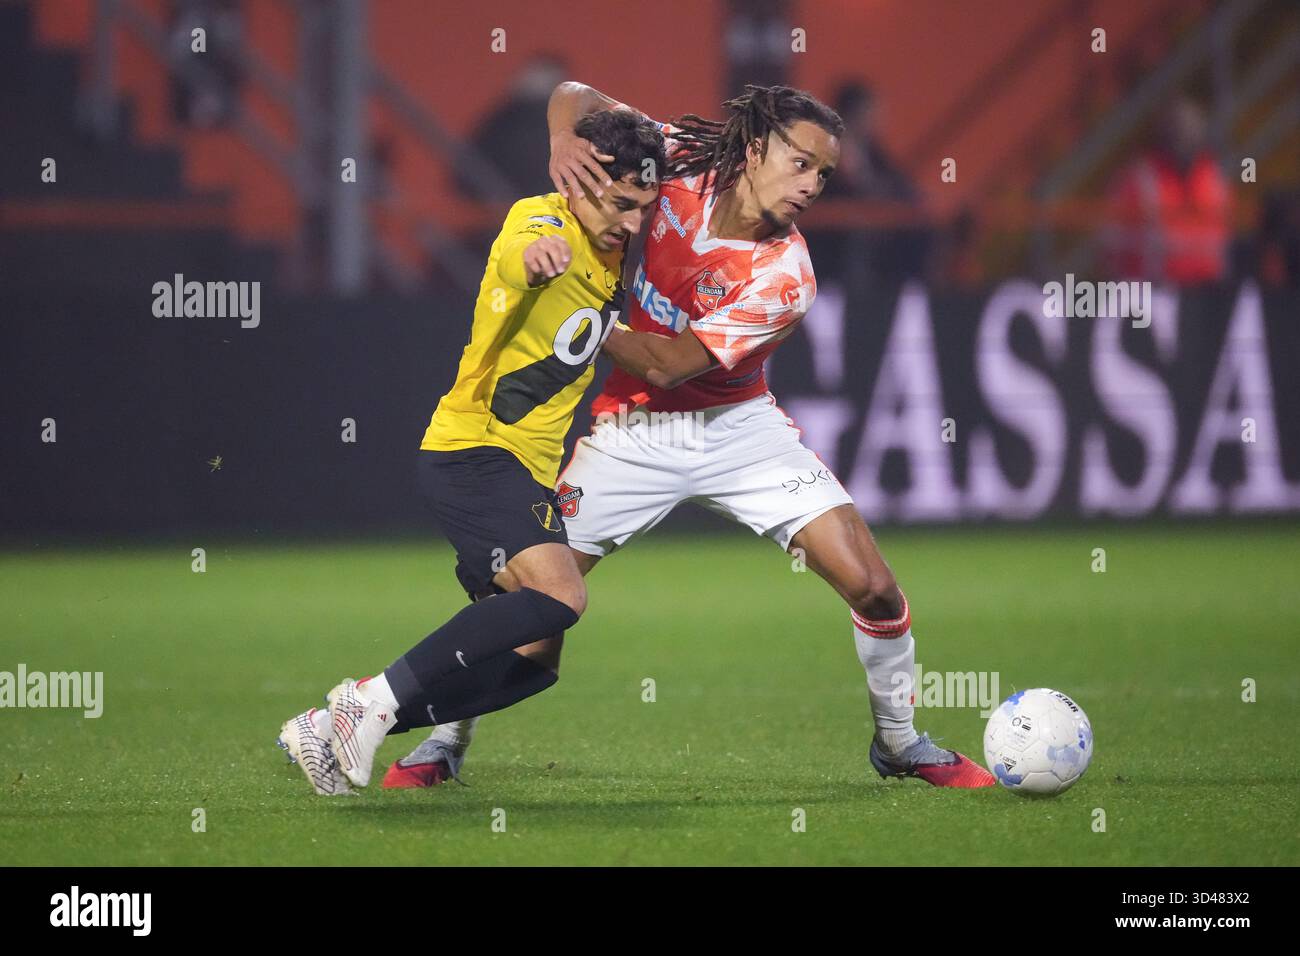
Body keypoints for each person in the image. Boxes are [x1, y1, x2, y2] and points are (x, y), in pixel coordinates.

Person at [388, 82, 995, 790]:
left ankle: (899, 741)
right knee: (527, 599)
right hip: (630, 431)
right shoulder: (674, 156)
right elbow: (574, 95)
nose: (814, 186)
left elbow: (672, 364)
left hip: (740, 431)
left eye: (825, 175)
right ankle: (444, 741)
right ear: (757, 146)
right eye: (802, 163)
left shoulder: (787, 273)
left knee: (875, 587)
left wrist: (579, 310)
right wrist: (565, 141)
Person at [275, 109, 666, 795]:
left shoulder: (616, 243)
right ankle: (369, 701)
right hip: (477, 451)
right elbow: (524, 249)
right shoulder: (543, 222)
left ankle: (325, 724)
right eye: (621, 204)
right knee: (561, 593)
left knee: (532, 663)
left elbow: (589, 103)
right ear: (580, 183)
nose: (634, 221)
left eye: (645, 206)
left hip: (522, 473)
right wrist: (536, 260)